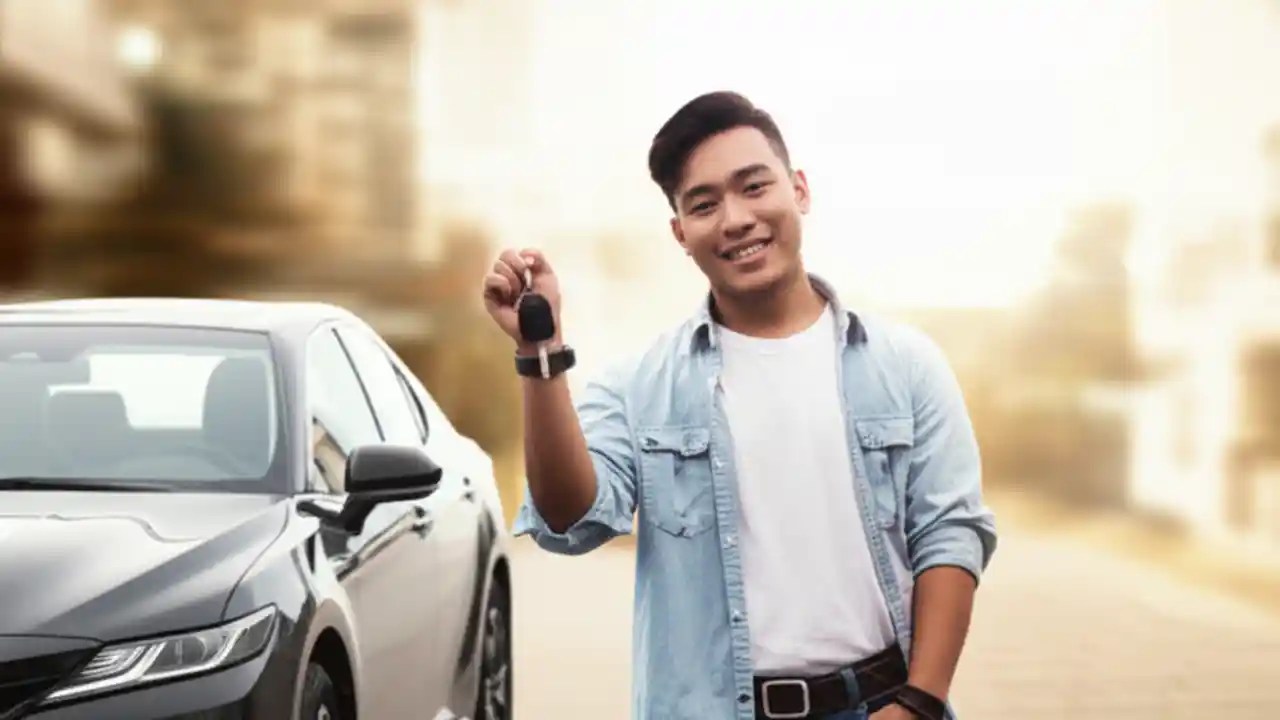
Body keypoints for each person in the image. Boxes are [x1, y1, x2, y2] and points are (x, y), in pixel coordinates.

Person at [481, 91, 998, 720]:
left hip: (883, 704)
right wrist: (542, 354)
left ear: (799, 190)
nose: (735, 219)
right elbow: (571, 521)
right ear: (680, 233)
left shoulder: (905, 364)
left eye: (754, 187)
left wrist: (918, 703)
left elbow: (950, 534)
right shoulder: (639, 385)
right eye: (704, 204)